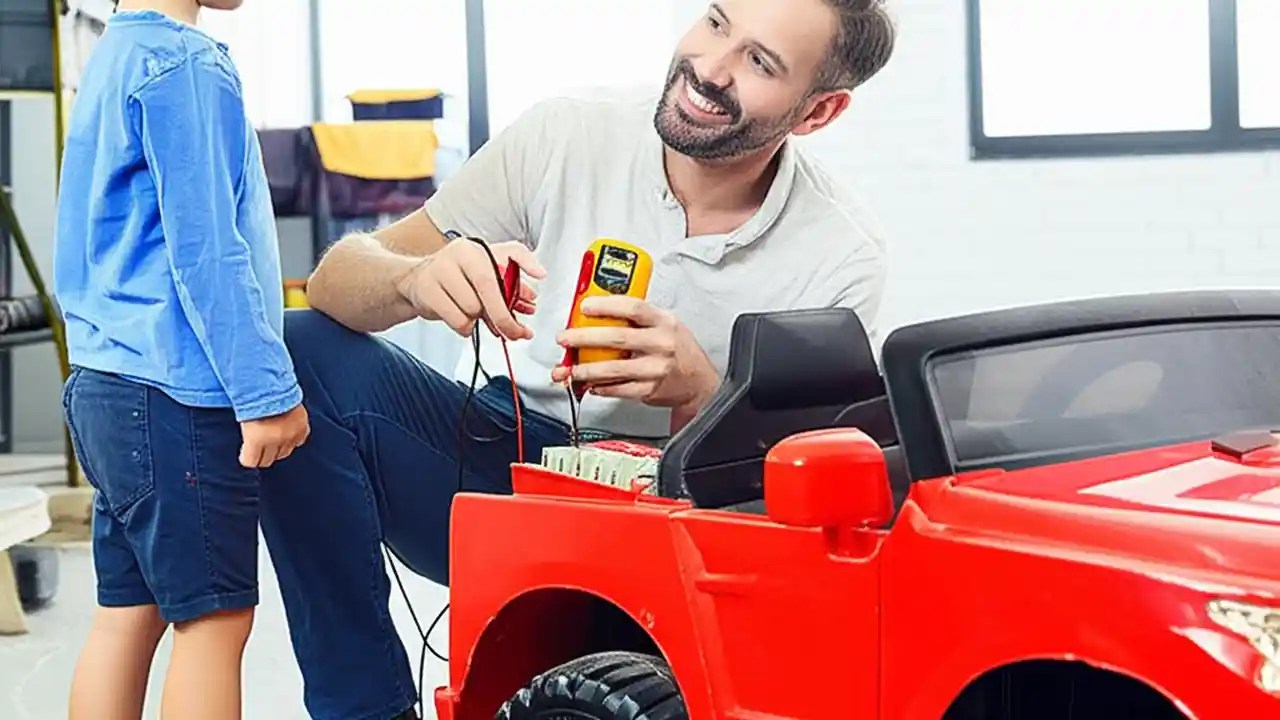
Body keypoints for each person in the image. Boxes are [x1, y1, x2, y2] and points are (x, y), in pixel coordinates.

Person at [260, 0, 896, 717]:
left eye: (759, 62)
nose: (710, 68)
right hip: (506, 458)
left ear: (818, 112)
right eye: (717, 23)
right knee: (301, 348)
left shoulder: (843, 253)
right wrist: (414, 280)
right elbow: (335, 282)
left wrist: (705, 396)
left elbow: (801, 503)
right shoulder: (567, 133)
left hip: (676, 505)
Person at [53, 1, 310, 719]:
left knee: (126, 615)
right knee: (216, 621)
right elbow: (208, 251)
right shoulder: (187, 64)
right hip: (177, 394)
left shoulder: (114, 56)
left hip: (106, 385)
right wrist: (266, 393)